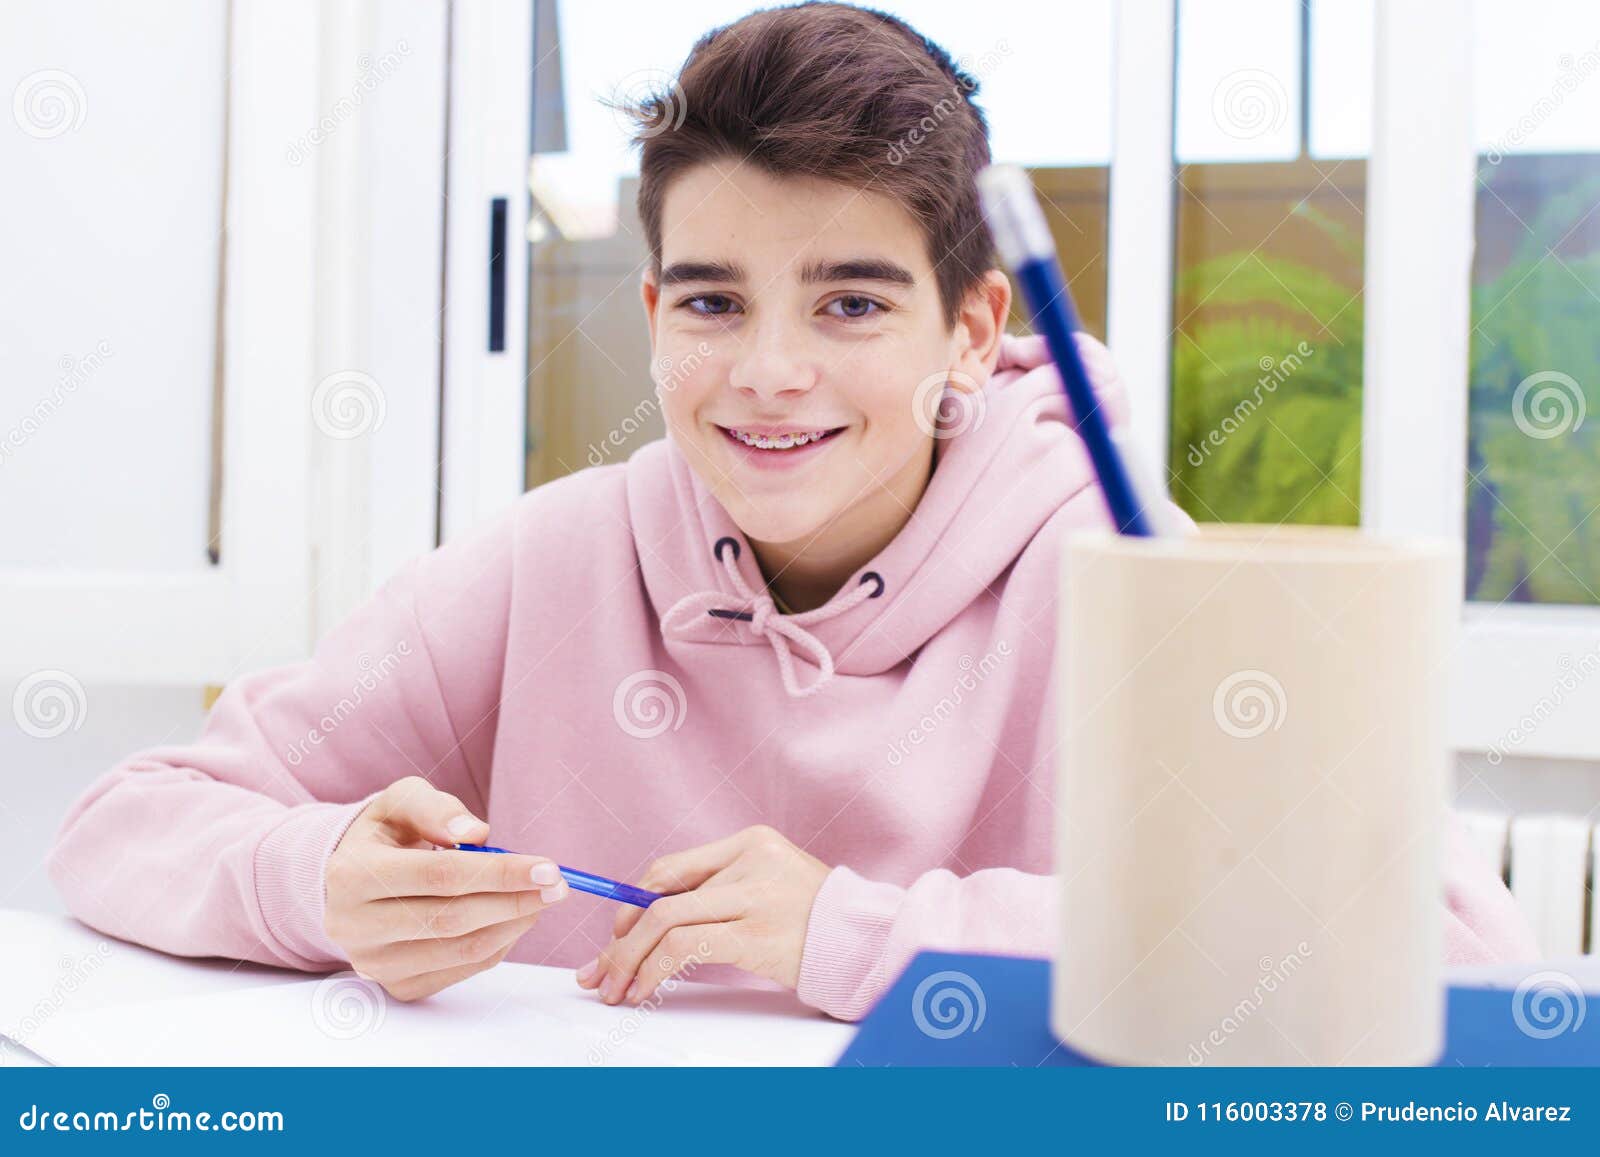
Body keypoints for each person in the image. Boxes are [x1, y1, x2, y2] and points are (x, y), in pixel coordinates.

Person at [48, 1, 1539, 1024]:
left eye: (852, 302)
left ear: (973, 330)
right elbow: (122, 823)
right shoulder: (554, 559)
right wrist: (320, 882)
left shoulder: (1128, 577)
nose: (769, 371)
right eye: (714, 302)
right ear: (653, 316)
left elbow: (1455, 954)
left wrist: (857, 935)